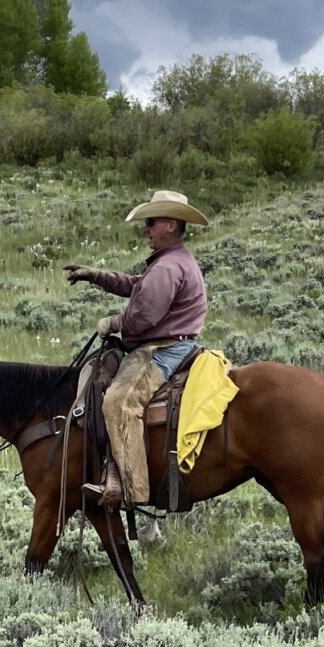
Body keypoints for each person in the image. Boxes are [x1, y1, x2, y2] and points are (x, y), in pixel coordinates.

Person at [64, 189, 209, 506]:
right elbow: (138, 286)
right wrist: (98, 276)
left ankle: (132, 491)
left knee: (118, 401)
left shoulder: (167, 267)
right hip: (177, 344)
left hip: (162, 349)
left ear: (171, 224)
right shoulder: (173, 261)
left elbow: (143, 315)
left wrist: (113, 323)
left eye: (151, 222)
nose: (146, 229)